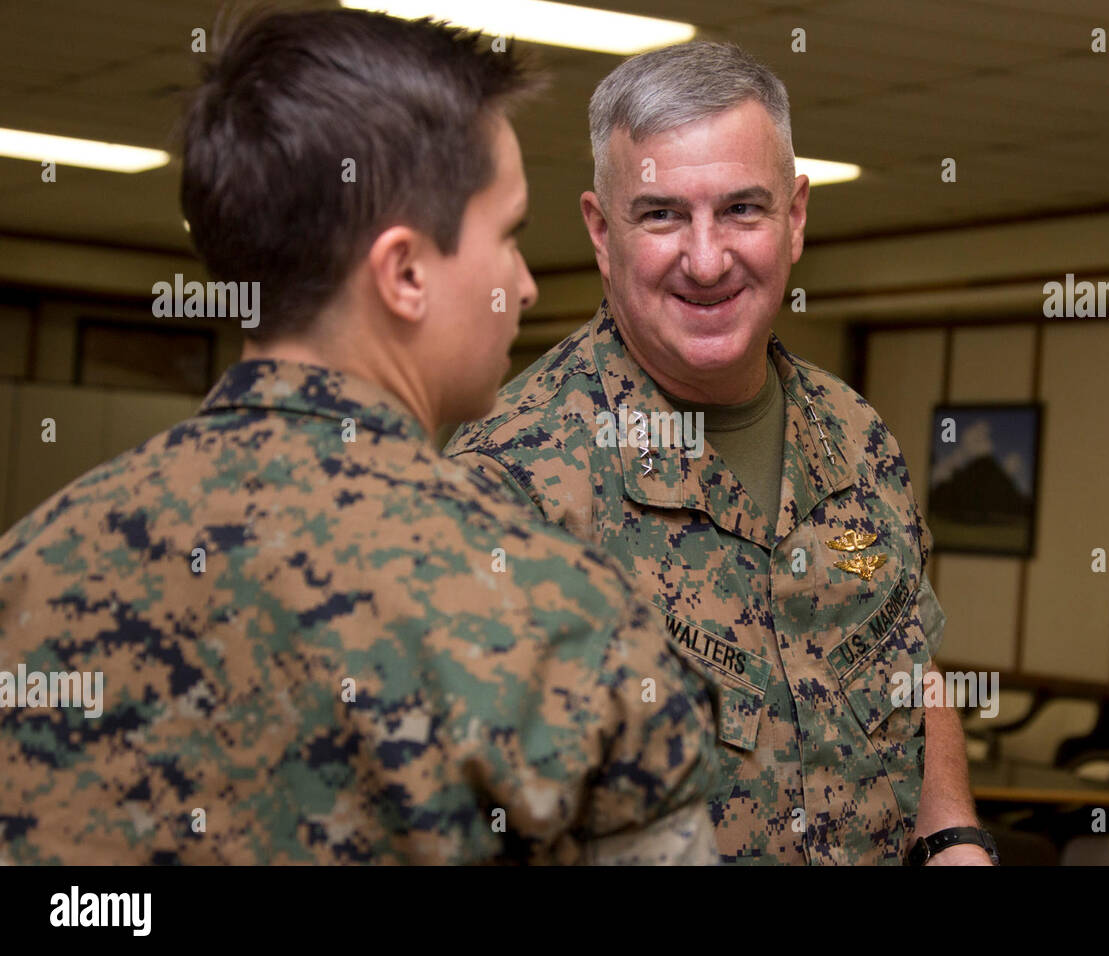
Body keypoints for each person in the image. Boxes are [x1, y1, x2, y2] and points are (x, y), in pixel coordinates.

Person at [0, 9, 718, 865]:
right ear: (406, 273)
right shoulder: (560, 619)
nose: (525, 286)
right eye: (511, 236)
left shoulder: (28, 573)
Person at [447, 41, 994, 865]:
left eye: (742, 209)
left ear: (796, 218)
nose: (706, 261)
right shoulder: (509, 483)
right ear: (602, 232)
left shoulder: (855, 435)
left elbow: (910, 660)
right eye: (662, 214)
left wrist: (953, 837)